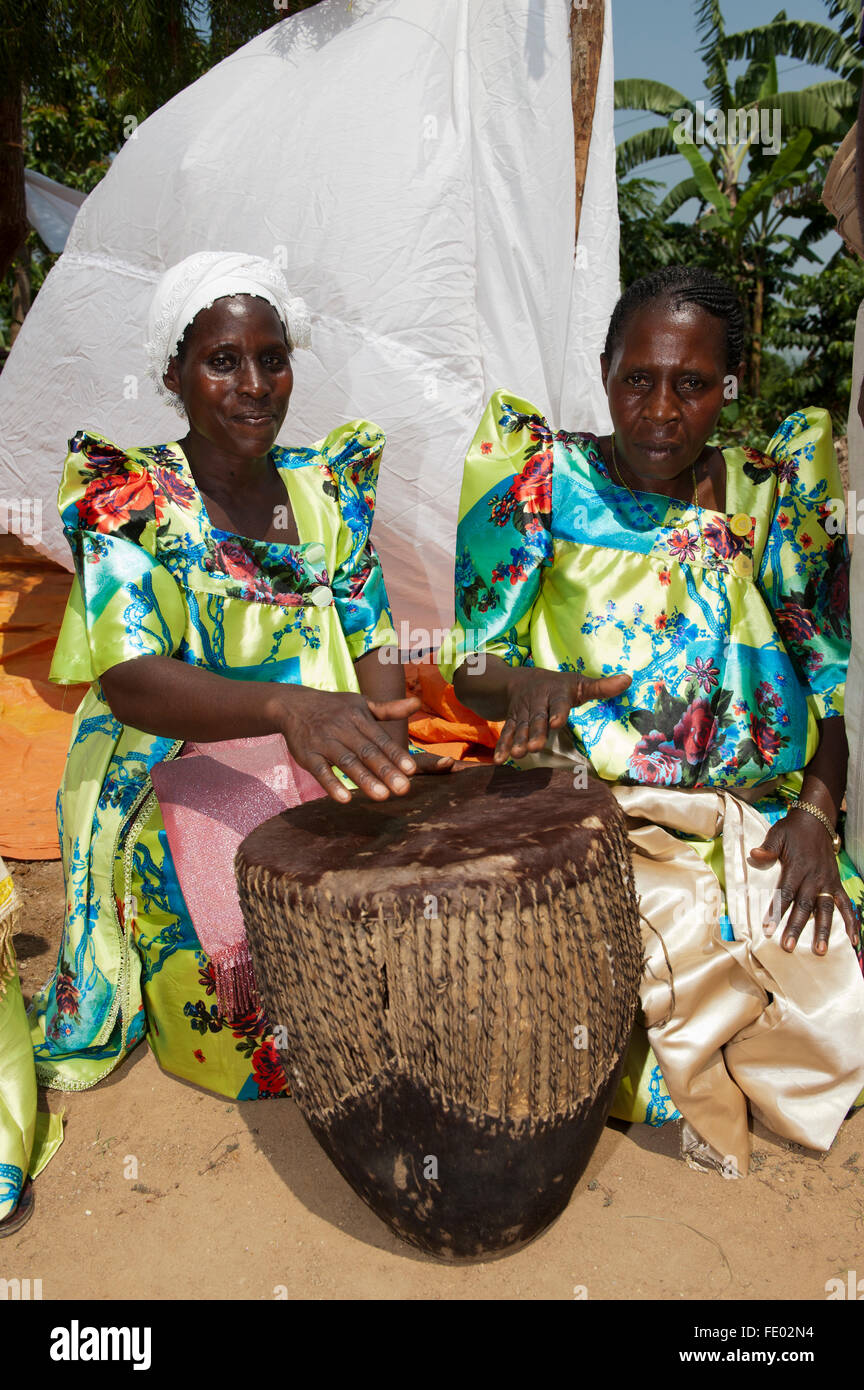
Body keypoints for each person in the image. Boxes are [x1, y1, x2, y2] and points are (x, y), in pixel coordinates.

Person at [442, 265, 864, 1173]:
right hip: (587, 804)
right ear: (604, 373)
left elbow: (821, 678)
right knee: (635, 946)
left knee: (826, 957)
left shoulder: (771, 490)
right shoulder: (538, 479)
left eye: (694, 384)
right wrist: (525, 682)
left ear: (728, 389)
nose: (662, 410)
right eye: (640, 379)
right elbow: (471, 664)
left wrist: (818, 815)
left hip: (749, 809)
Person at [28, 250, 445, 1104]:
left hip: (310, 752)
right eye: (223, 361)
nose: (255, 383)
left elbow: (376, 654)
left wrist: (388, 767)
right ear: (174, 373)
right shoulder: (134, 493)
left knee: (405, 948)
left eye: (273, 358)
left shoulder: (327, 492)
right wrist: (287, 708)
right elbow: (131, 680)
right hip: (162, 767)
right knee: (258, 1019)